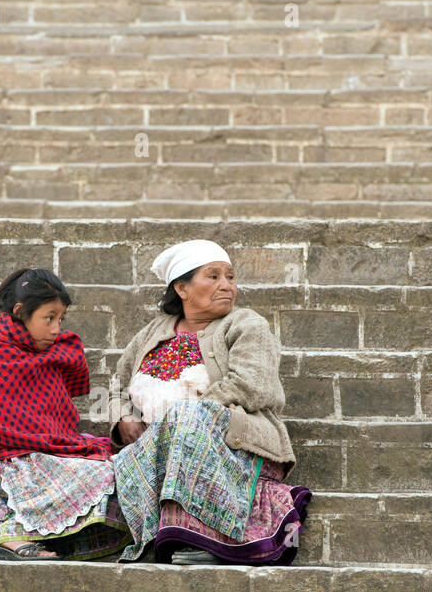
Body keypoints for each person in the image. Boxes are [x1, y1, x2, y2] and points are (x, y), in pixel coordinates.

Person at [109, 240, 311, 565]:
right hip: (159, 445)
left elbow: (252, 386)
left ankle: (202, 536)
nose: (226, 286)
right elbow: (117, 387)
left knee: (188, 417)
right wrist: (123, 418)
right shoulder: (151, 332)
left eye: (230, 277)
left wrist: (178, 418)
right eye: (213, 276)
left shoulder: (246, 325)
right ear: (182, 288)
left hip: (235, 441)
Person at [0, 269, 131, 561]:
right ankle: (10, 535)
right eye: (48, 318)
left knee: (123, 468)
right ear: (20, 312)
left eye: (61, 319)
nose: (56, 329)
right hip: (0, 458)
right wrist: (52, 448)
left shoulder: (45, 353)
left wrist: (58, 446)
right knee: (103, 474)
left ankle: (62, 538)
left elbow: (49, 417)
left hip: (41, 450)